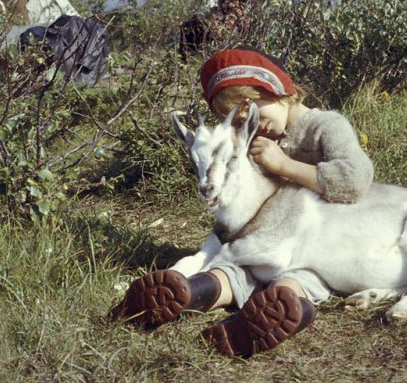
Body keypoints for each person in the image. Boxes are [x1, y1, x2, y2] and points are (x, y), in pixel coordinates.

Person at [111, 48, 375, 357]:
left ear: (276, 91)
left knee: (301, 277)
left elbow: (356, 180)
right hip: (264, 243)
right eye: (236, 117)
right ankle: (192, 293)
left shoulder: (326, 126)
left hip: (318, 244)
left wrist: (284, 166)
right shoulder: (253, 142)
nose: (252, 123)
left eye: (250, 109)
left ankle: (281, 310)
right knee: (236, 266)